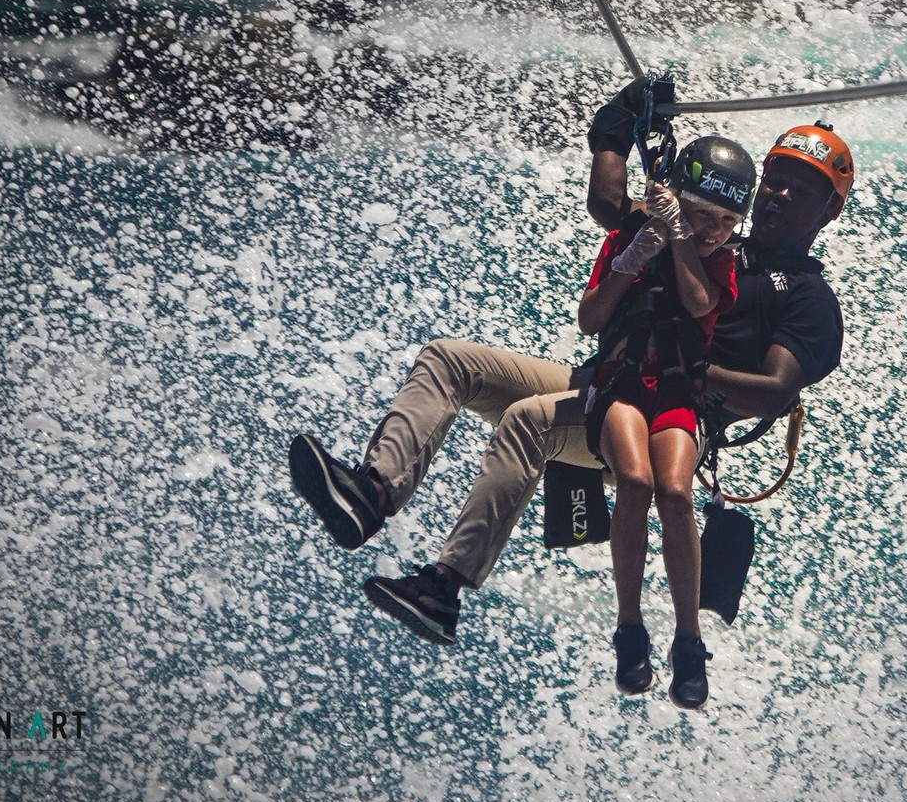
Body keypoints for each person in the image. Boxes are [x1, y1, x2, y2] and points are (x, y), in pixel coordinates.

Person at [288, 81, 855, 701]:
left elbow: (771, 393)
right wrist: (619, 126)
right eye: (775, 180)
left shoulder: (807, 300)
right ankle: (373, 492)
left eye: (801, 192)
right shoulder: (708, 230)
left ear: (829, 213)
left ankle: (443, 588)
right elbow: (612, 206)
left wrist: (687, 367)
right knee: (450, 361)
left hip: (670, 423)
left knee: (532, 421)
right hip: (607, 384)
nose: (780, 195)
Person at [578, 139, 754, 706]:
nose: (713, 230)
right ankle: (629, 629)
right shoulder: (626, 239)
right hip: (623, 386)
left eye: (727, 221)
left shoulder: (720, 261)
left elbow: (700, 303)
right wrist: (631, 258)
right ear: (678, 199)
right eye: (703, 214)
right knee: (635, 481)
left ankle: (688, 642)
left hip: (678, 394)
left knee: (675, 493)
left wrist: (679, 234)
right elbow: (590, 320)